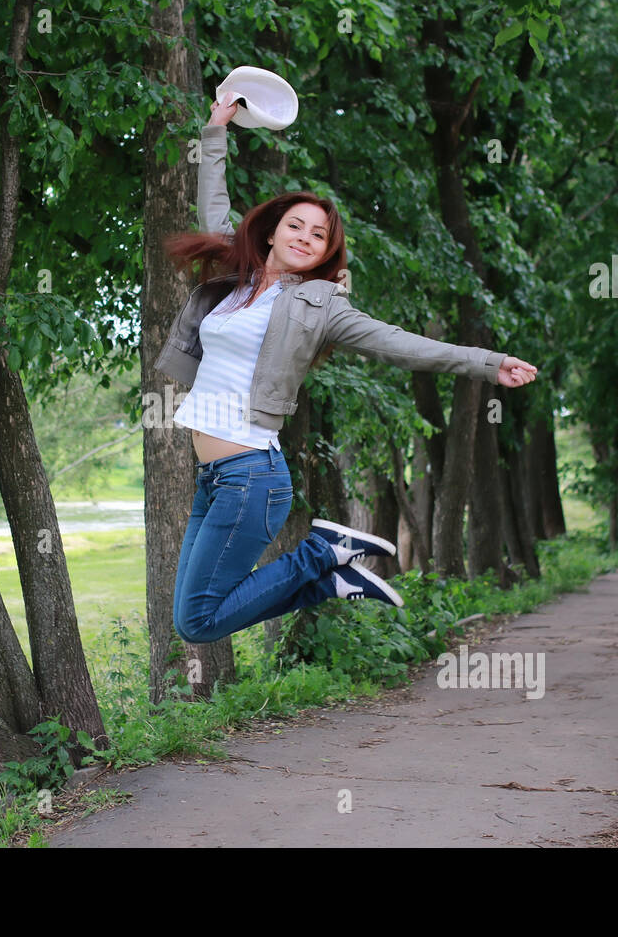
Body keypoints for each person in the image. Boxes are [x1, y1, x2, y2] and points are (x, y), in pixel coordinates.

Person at [157, 95, 538, 645]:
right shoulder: (236, 280)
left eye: (318, 236)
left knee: (197, 623)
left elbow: (400, 345)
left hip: (251, 479)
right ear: (271, 231)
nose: (304, 238)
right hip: (215, 479)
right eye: (296, 226)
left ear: (323, 255)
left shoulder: (321, 305)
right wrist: (216, 129)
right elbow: (212, 203)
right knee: (192, 614)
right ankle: (331, 582)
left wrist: (488, 362)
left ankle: (321, 553)